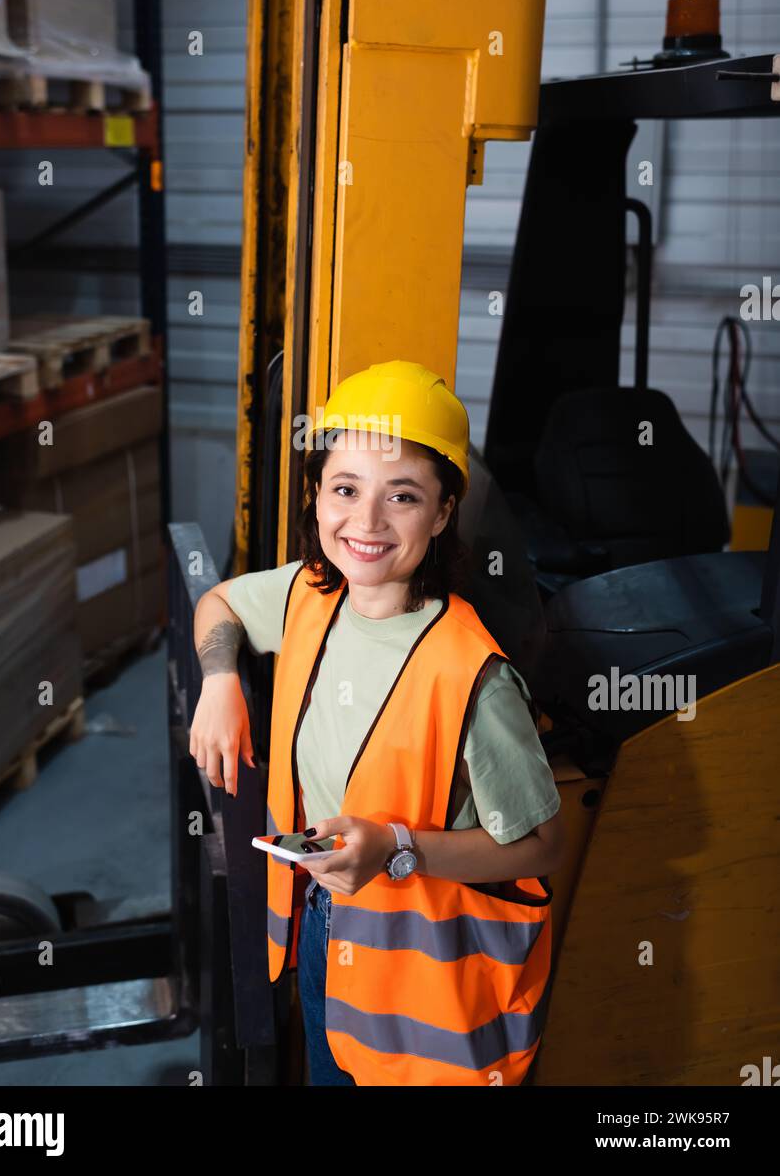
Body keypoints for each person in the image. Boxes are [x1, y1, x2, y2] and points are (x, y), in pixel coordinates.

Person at [190, 360, 565, 1086]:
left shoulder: (471, 677)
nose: (364, 523)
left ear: (444, 512)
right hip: (327, 933)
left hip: (430, 986)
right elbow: (221, 605)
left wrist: (398, 848)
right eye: (344, 489)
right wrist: (219, 681)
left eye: (401, 496)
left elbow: (545, 845)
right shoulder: (310, 594)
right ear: (318, 495)